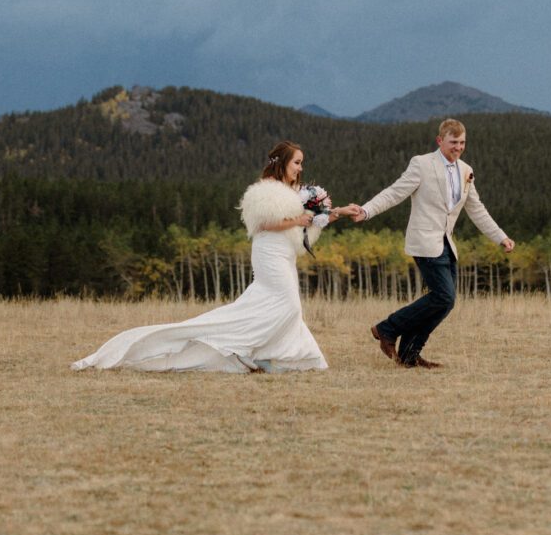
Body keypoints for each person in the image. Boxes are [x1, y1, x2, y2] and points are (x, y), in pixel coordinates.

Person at [71, 141, 348, 373]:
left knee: (276, 306)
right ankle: (249, 351)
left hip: (286, 253)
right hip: (269, 252)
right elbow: (262, 224)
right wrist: (298, 218)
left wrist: (337, 212)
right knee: (288, 305)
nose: (300, 169)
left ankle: (260, 354)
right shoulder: (266, 190)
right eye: (297, 163)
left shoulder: (294, 193)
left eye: (301, 163)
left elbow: (310, 222)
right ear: (283, 162)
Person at [343, 118, 513, 369]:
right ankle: (386, 329)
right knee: (444, 297)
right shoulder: (422, 164)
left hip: (447, 244)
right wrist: (367, 211)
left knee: (445, 302)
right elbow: (394, 192)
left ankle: (410, 354)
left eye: (462, 142)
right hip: (424, 242)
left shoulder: (466, 171)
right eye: (453, 142)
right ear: (440, 141)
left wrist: (500, 236)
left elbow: (477, 209)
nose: (458, 147)